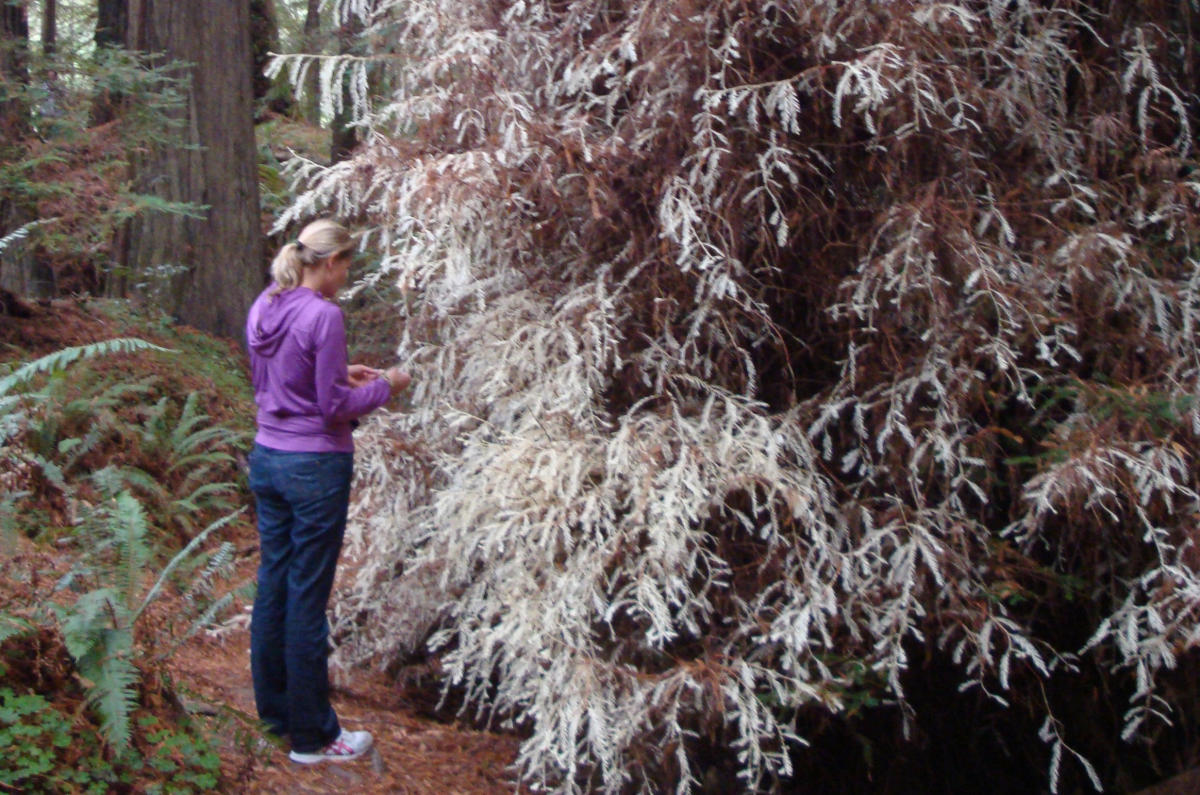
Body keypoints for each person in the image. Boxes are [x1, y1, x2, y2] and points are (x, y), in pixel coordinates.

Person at [244, 219, 410, 764]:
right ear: (331, 261)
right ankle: (314, 738)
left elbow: (287, 379)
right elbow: (334, 407)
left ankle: (275, 717)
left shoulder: (267, 304)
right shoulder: (324, 314)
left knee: (274, 586)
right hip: (314, 466)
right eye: (346, 266)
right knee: (307, 599)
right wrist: (387, 384)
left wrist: (343, 371)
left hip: (267, 458)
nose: (346, 277)